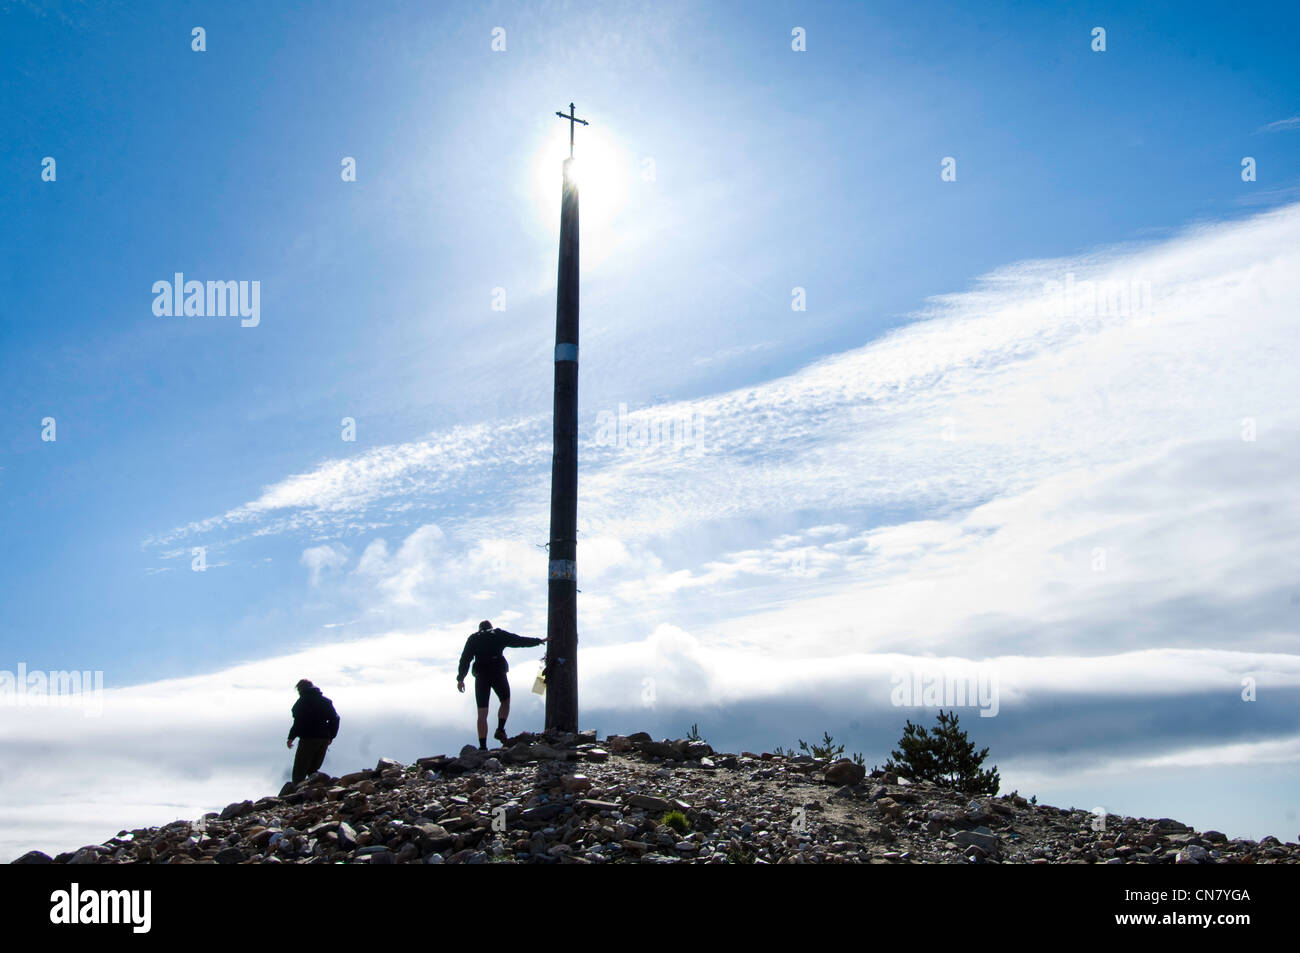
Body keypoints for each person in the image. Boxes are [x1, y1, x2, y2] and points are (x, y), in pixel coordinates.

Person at [457, 620, 546, 750]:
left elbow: (465, 659)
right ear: (490, 627)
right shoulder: (498, 634)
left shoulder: (473, 638)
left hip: (481, 675)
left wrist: (460, 679)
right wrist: (538, 641)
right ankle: (500, 729)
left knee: (482, 712)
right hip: (497, 671)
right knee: (505, 700)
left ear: (479, 629)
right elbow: (518, 641)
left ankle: (482, 747)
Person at [286, 679, 340, 783]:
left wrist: (291, 738)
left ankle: (297, 796)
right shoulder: (325, 701)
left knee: (300, 770)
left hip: (307, 739)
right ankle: (313, 793)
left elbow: (298, 723)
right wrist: (331, 735)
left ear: (300, 689)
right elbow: (335, 718)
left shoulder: (301, 703)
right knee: (313, 770)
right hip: (323, 739)